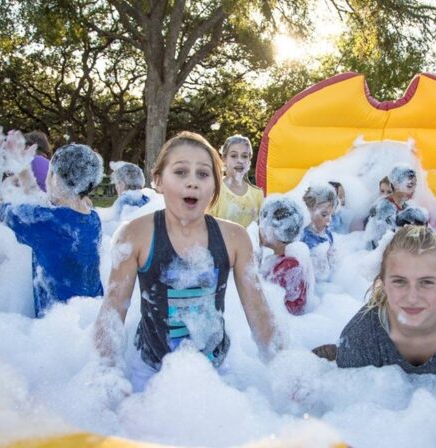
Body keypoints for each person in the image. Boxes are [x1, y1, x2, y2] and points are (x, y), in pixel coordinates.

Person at [91, 131, 281, 392]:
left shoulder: (235, 238)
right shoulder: (135, 235)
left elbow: (259, 313)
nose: (192, 182)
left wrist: (283, 365)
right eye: (180, 172)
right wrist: (106, 371)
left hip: (215, 367)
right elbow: (112, 312)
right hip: (150, 368)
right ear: (158, 181)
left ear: (216, 185)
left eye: (203, 174)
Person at [333, 225, 436, 383]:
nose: (412, 297)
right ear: (384, 284)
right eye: (399, 281)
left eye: (426, 282)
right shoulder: (360, 338)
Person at [0, 144, 104, 317]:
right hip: (91, 314)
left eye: (49, 172)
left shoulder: (45, 221)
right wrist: (24, 170)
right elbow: (46, 203)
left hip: (55, 326)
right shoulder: (93, 218)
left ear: (55, 178)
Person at [258, 195, 313, 315]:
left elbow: (277, 307)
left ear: (278, 230)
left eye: (263, 222)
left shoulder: (290, 266)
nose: (260, 227)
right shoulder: (279, 258)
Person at [208, 134, 264, 227]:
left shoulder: (258, 194)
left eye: (244, 156)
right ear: (224, 158)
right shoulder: (214, 190)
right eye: (234, 156)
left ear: (249, 160)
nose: (240, 161)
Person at [366, 166, 422, 249]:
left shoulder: (405, 206)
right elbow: (379, 239)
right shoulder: (383, 208)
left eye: (389, 192)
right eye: (382, 191)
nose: (385, 195)